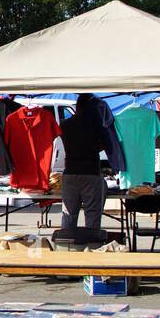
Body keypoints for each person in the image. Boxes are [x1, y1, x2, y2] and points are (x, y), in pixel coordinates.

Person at [57, 93, 108, 235]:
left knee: (69, 215)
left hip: (70, 172)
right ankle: (91, 247)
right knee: (92, 215)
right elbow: (105, 145)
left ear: (77, 106)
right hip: (91, 172)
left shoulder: (65, 125)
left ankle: (67, 248)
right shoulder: (96, 125)